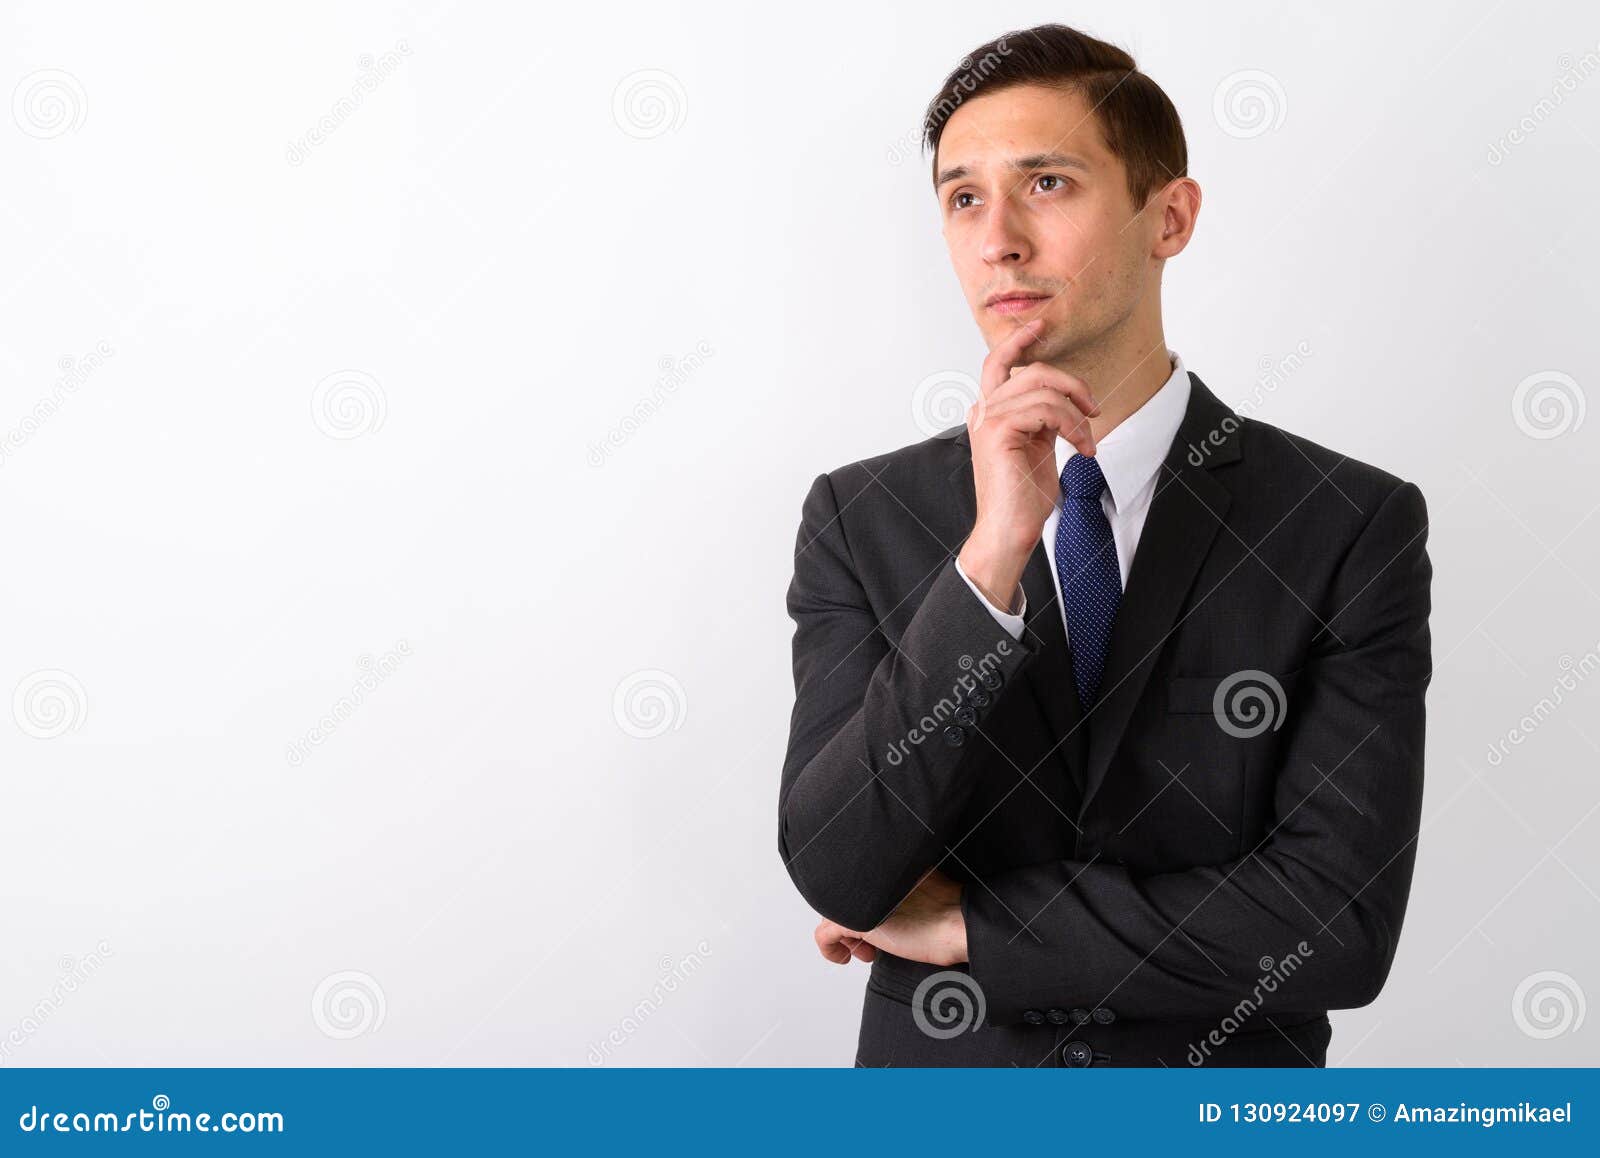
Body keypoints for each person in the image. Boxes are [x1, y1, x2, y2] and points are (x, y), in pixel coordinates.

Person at [777, 23, 1432, 1067]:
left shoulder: (1344, 523)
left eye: (1046, 184)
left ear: (1168, 215)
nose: (996, 239)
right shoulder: (864, 519)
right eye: (961, 198)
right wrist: (990, 557)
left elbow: (1333, 929)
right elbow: (838, 867)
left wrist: (969, 932)